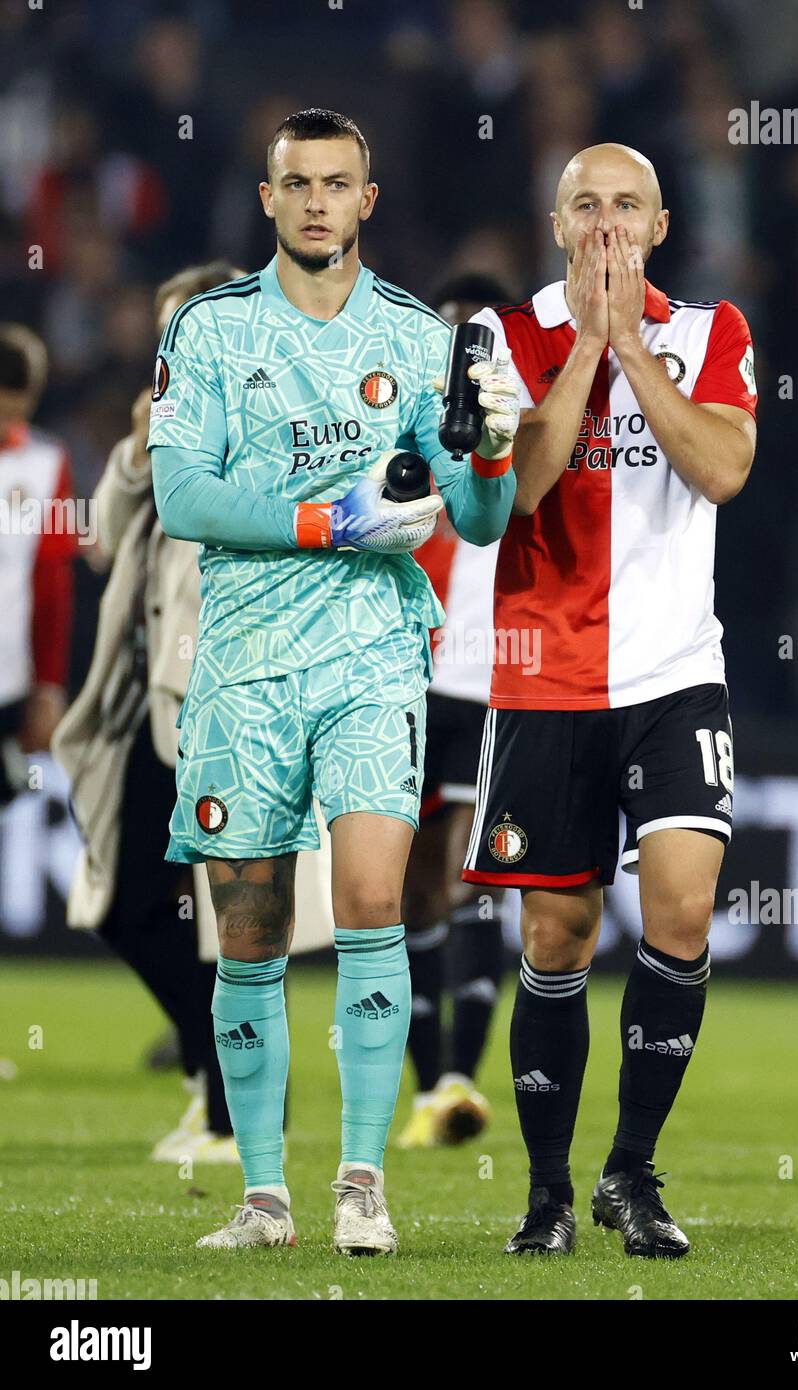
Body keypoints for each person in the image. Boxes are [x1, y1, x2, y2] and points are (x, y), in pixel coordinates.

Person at [147, 109, 519, 1255]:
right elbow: (183, 498)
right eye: (296, 182)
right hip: (245, 664)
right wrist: (327, 518)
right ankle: (265, 1197)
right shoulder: (208, 330)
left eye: (338, 182)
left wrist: (498, 447)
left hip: (370, 654)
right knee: (250, 931)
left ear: (368, 199)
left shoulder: (416, 336)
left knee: (370, 903)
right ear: (268, 200)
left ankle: (363, 1183)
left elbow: (478, 514)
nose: (317, 201)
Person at [461, 143, 758, 1257]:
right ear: (556, 225)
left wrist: (633, 343)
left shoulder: (710, 332)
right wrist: (588, 341)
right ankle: (545, 1190)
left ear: (661, 224)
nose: (606, 224)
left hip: (676, 672)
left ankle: (631, 1174)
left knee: (680, 910)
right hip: (544, 674)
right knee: (558, 931)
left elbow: (722, 468)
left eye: (627, 205)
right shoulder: (500, 336)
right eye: (586, 205)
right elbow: (517, 490)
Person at [54, 262, 245, 1164]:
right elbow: (99, 543)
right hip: (144, 706)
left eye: (189, 326)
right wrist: (136, 453)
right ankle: (214, 1084)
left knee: (225, 915)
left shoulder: (257, 419)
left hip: (217, 706)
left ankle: (229, 1109)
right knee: (128, 907)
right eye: (167, 329)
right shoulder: (160, 424)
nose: (172, 347)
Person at [398, 275, 512, 1150]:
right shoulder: (396, 423)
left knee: (474, 878)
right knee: (407, 886)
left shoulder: (525, 422)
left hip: (489, 681)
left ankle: (461, 1078)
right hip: (402, 676)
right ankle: (427, 1082)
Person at [0, 325, 74, 800]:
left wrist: (48, 685)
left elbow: (52, 583)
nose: (9, 421)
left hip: (10, 681)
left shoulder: (47, 464)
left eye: (18, 410)